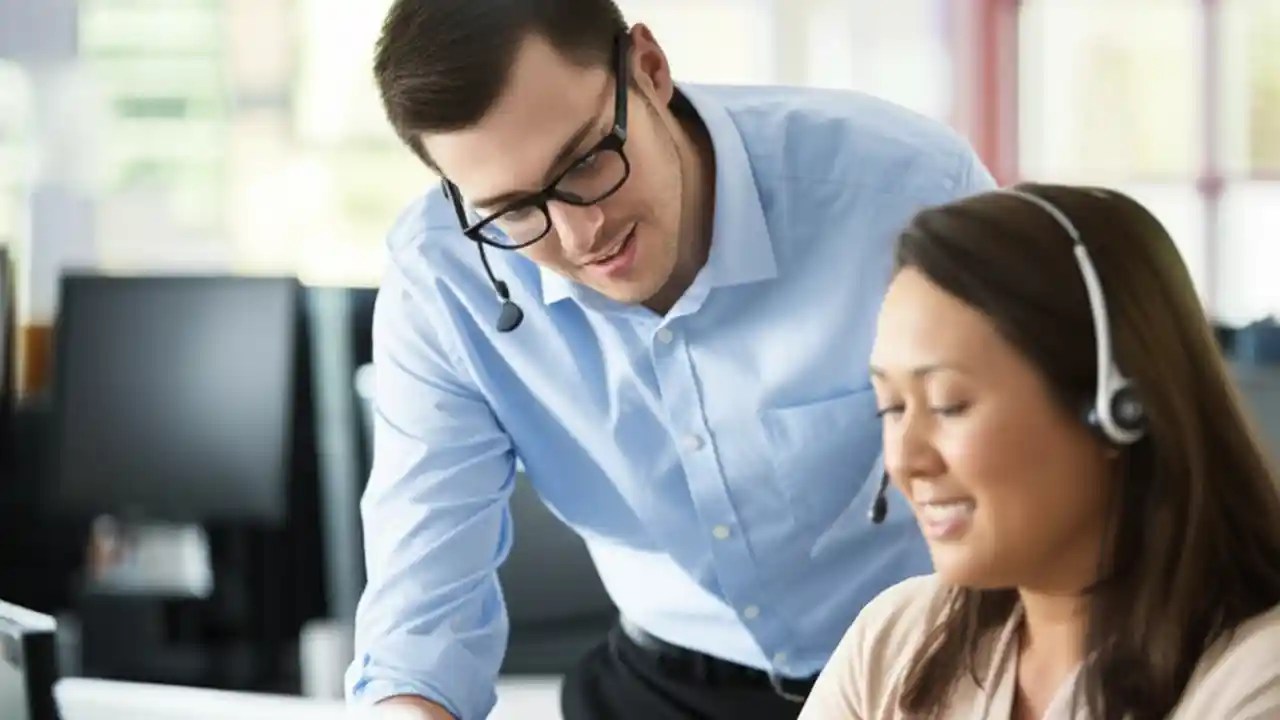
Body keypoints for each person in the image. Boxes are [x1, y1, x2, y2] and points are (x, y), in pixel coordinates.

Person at [348, 1, 994, 718]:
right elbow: (422, 609)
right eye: (513, 211)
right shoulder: (443, 273)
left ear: (649, 70)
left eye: (588, 161)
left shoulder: (906, 192)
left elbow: (1051, 478)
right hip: (663, 683)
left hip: (928, 665)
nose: (580, 232)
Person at [799, 184, 1280, 720]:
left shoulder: (1258, 678)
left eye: (949, 404)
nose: (907, 461)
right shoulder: (897, 640)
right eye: (891, 408)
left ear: (1118, 406)